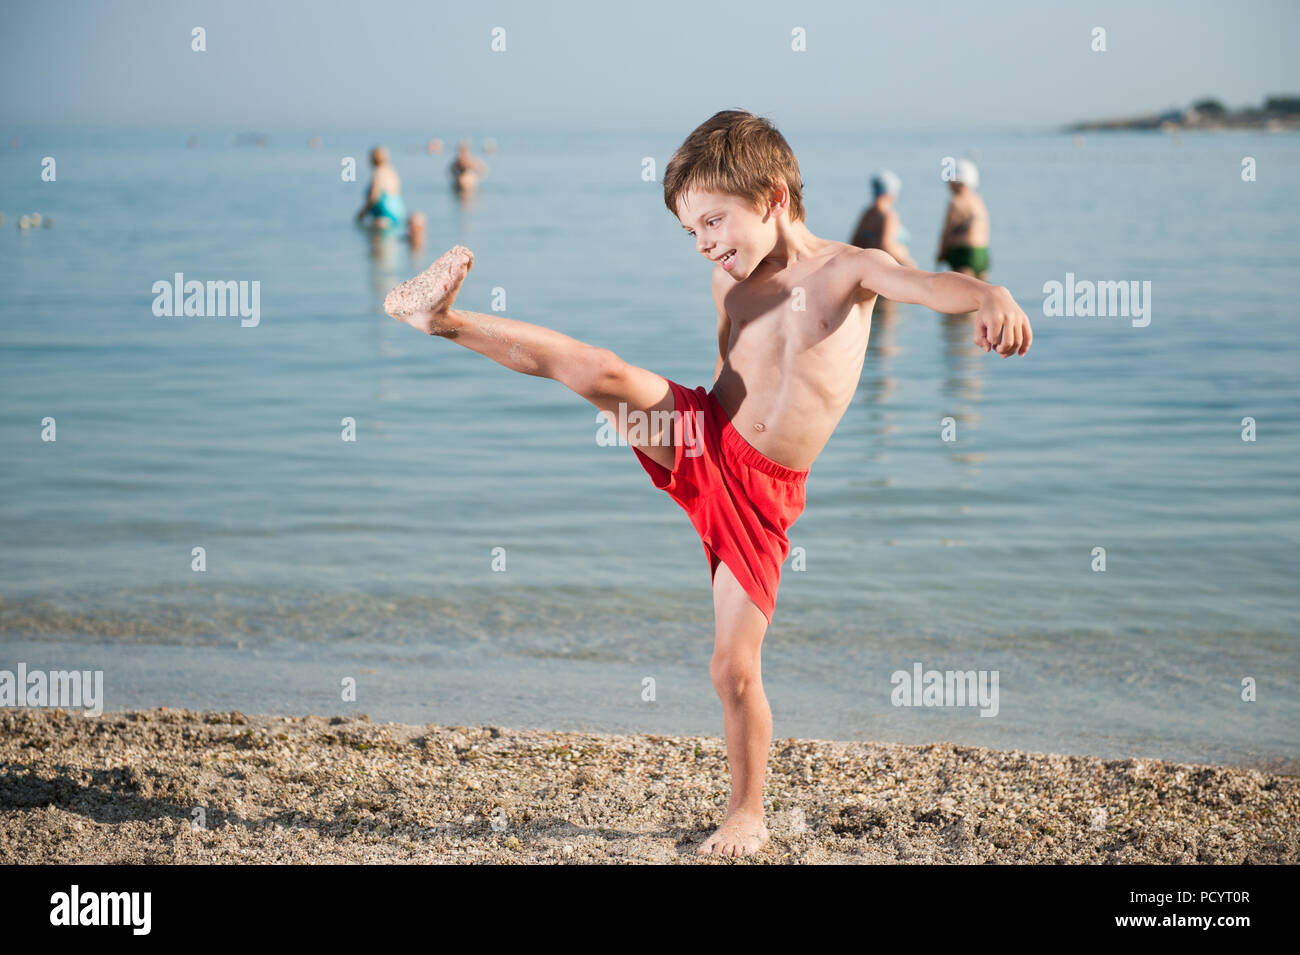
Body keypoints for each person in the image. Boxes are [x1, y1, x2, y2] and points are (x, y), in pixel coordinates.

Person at [382, 110, 1032, 858]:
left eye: (715, 222)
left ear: (774, 197)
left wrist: (989, 295)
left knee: (731, 665)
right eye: (692, 232)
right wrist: (672, 428)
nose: (705, 245)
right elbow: (735, 375)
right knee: (602, 372)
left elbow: (925, 283)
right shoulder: (728, 285)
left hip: (763, 493)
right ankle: (440, 319)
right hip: (701, 437)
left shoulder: (851, 268)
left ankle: (747, 810)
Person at [849, 170, 916, 267]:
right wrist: (908, 262)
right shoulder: (889, 216)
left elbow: (854, 244)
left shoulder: (867, 214)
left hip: (867, 267)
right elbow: (886, 246)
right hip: (888, 269)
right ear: (891, 193)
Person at [936, 159, 990, 279]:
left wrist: (941, 254)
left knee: (963, 290)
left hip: (963, 253)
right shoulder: (977, 200)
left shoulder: (956, 202)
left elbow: (947, 230)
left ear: (957, 182)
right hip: (981, 252)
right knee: (982, 289)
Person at [356, 146, 407, 230]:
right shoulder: (391, 170)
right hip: (399, 211)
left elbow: (374, 196)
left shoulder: (378, 173)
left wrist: (362, 213)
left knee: (379, 241)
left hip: (385, 213)